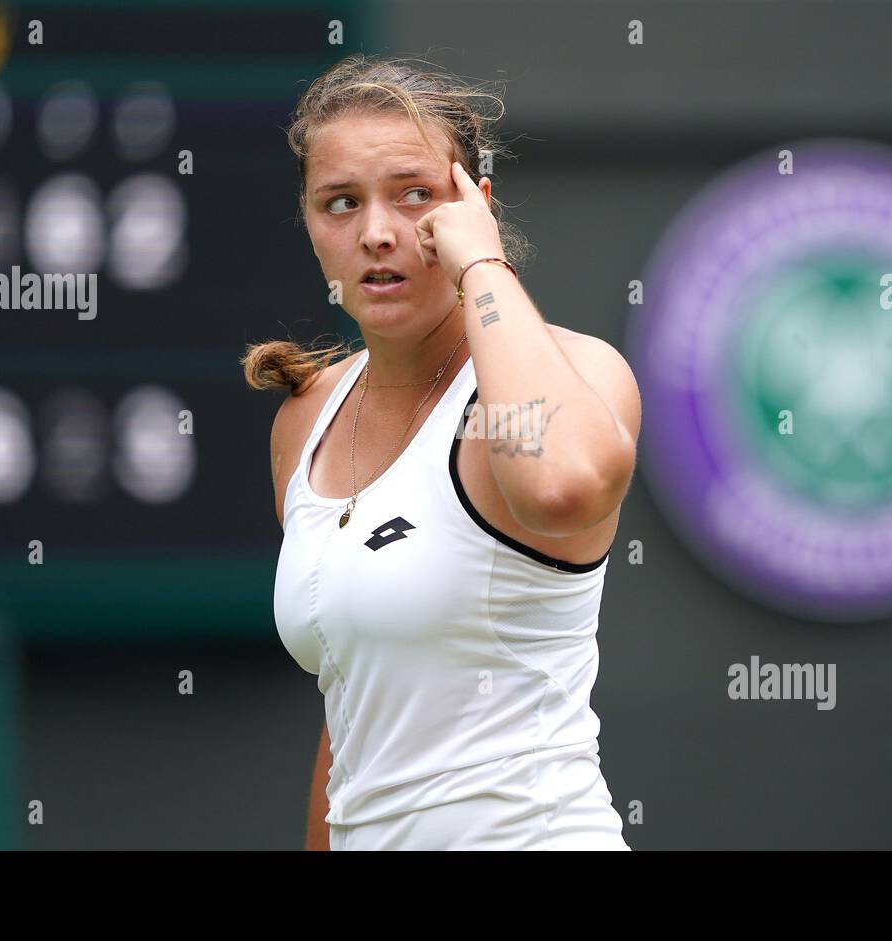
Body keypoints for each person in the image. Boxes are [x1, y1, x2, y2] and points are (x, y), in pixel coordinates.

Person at [243, 54, 641, 850]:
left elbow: (560, 486)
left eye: (415, 194)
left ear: (474, 206)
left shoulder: (581, 371)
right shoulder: (306, 417)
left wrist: (482, 265)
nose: (379, 232)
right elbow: (354, 706)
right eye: (341, 203)